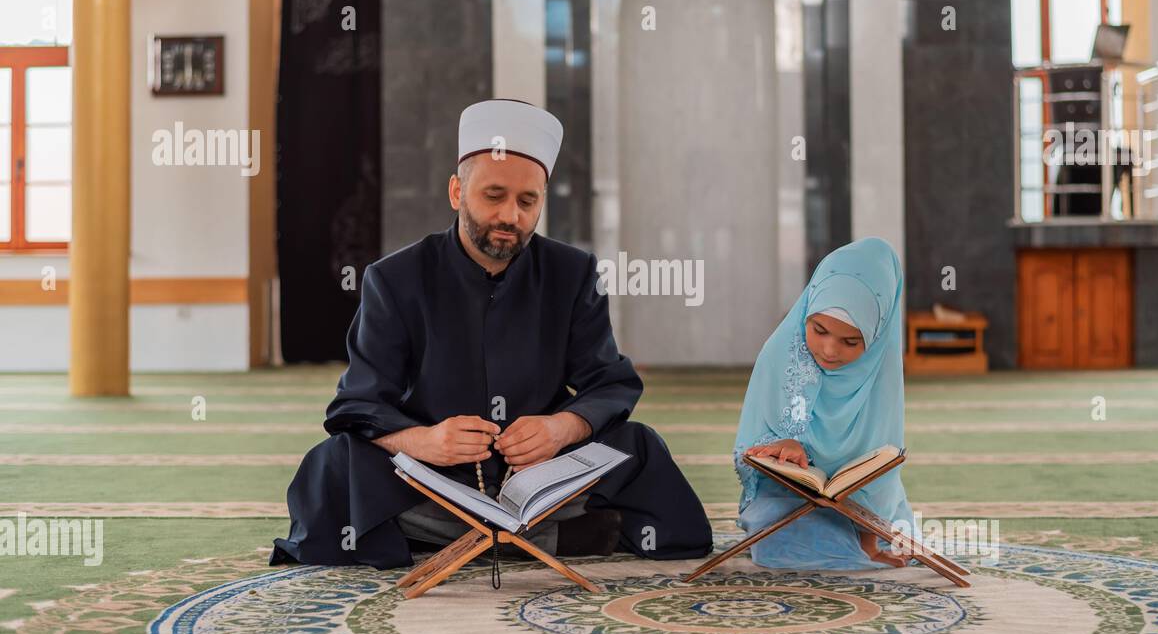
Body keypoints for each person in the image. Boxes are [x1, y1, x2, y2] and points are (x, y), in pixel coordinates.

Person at [271, 99, 712, 569]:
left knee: (638, 446)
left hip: (543, 474)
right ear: (457, 191)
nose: (511, 217)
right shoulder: (396, 279)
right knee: (334, 464)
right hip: (433, 476)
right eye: (494, 196)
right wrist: (424, 441)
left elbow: (610, 382)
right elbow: (358, 404)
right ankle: (555, 538)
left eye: (528, 201)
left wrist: (559, 428)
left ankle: (462, 541)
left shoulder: (572, 273)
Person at [733, 237, 916, 570]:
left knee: (858, 539)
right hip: (786, 497)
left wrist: (869, 542)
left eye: (850, 341)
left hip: (859, 503)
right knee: (781, 535)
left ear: (875, 337)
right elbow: (754, 446)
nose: (830, 351)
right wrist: (782, 446)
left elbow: (880, 467)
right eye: (819, 330)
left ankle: (861, 534)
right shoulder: (781, 354)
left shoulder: (879, 370)